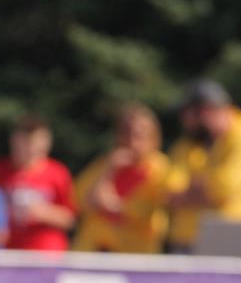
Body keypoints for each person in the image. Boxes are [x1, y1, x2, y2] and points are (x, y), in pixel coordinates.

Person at [73, 103, 170, 254]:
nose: (131, 141)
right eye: (126, 133)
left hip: (135, 258)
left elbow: (139, 213)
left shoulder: (160, 169)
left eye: (139, 135)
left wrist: (111, 205)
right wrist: (109, 171)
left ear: (154, 138)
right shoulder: (106, 163)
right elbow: (82, 202)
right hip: (93, 253)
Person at [165, 80, 241, 254]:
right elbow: (169, 190)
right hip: (186, 241)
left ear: (205, 111)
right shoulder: (191, 143)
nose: (184, 122)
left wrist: (192, 190)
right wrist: (207, 190)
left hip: (232, 243)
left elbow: (225, 187)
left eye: (186, 115)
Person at [0, 114, 75, 253]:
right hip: (6, 251)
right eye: (23, 142)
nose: (28, 148)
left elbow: (70, 219)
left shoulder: (57, 173)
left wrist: (43, 212)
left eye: (33, 143)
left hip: (45, 251)